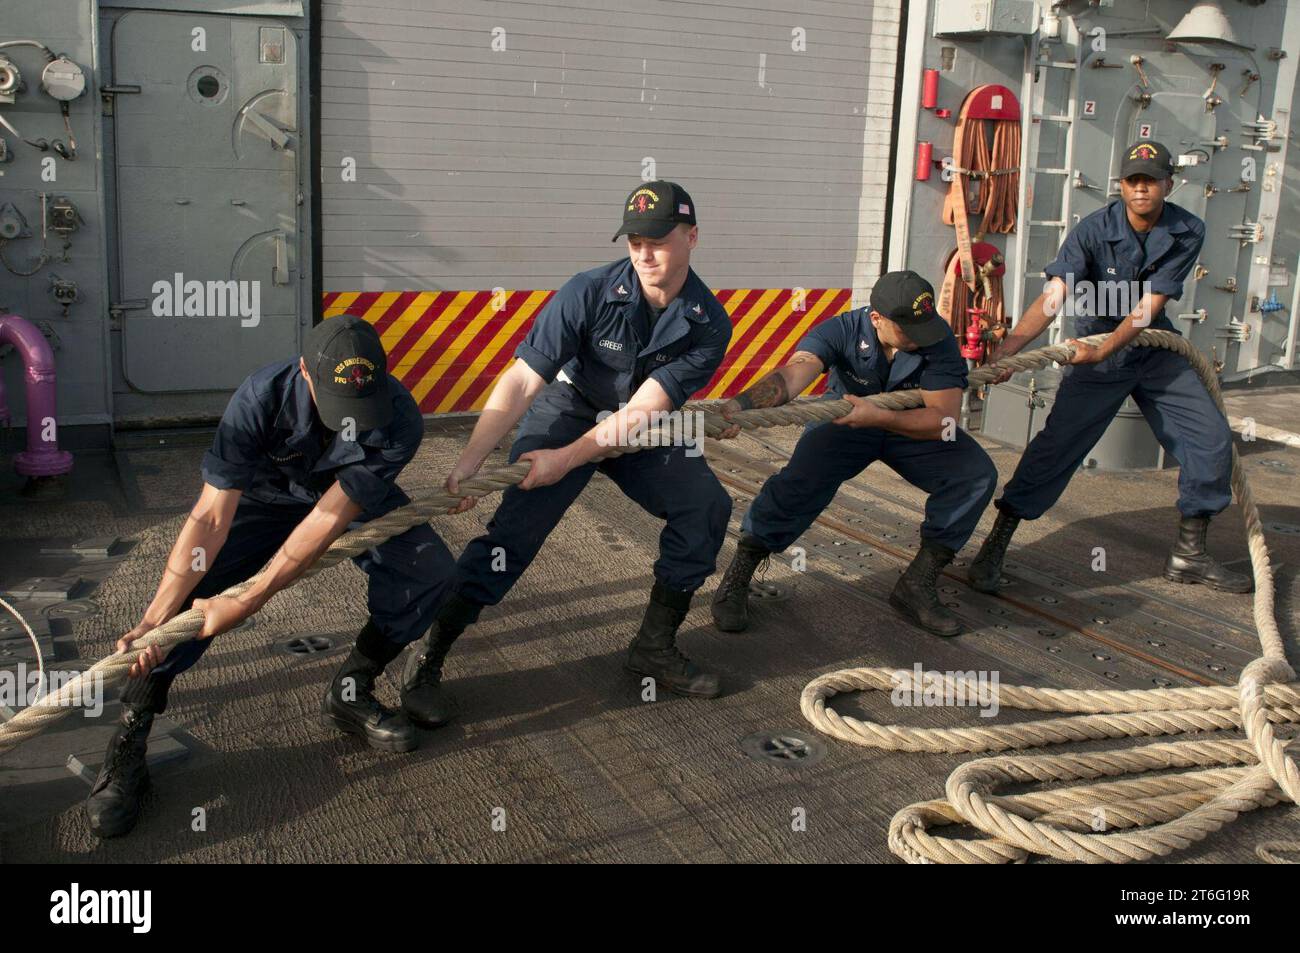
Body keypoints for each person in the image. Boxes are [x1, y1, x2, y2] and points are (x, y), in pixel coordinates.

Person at [86, 315, 457, 838]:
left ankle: (352, 689)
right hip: (264, 496)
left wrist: (253, 598)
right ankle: (130, 738)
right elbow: (212, 517)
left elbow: (329, 517)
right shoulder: (261, 396)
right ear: (305, 372)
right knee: (190, 593)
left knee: (429, 570)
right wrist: (157, 615)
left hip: (340, 499)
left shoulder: (398, 417)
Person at [400, 180, 734, 712]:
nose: (645, 253)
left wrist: (568, 460)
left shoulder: (708, 323)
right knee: (512, 538)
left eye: (659, 239)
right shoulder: (588, 290)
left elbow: (641, 412)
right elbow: (522, 379)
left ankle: (653, 647)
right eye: (634, 241)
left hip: (635, 427)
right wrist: (471, 458)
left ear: (692, 237)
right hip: (569, 408)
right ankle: (427, 656)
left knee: (707, 508)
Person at [968, 140, 1250, 595]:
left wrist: (1105, 350)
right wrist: (1009, 353)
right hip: (1097, 350)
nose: (1142, 189)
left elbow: (1148, 307)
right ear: (1121, 185)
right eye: (1133, 181)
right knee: (1057, 446)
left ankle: (1188, 554)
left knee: (1211, 438)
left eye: (1151, 180)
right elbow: (1055, 296)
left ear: (1167, 184)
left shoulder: (1187, 229)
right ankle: (995, 547)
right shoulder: (1093, 231)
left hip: (1154, 348)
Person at [711, 270, 997, 637]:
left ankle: (917, 583)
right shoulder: (841, 329)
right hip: (845, 421)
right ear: (876, 318)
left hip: (909, 426)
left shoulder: (935, 337)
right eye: (907, 329)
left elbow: (943, 421)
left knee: (975, 475)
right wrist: (742, 406)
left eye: (923, 327)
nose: (919, 337)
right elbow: (796, 374)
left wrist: (881, 417)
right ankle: (739, 575)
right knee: (797, 484)